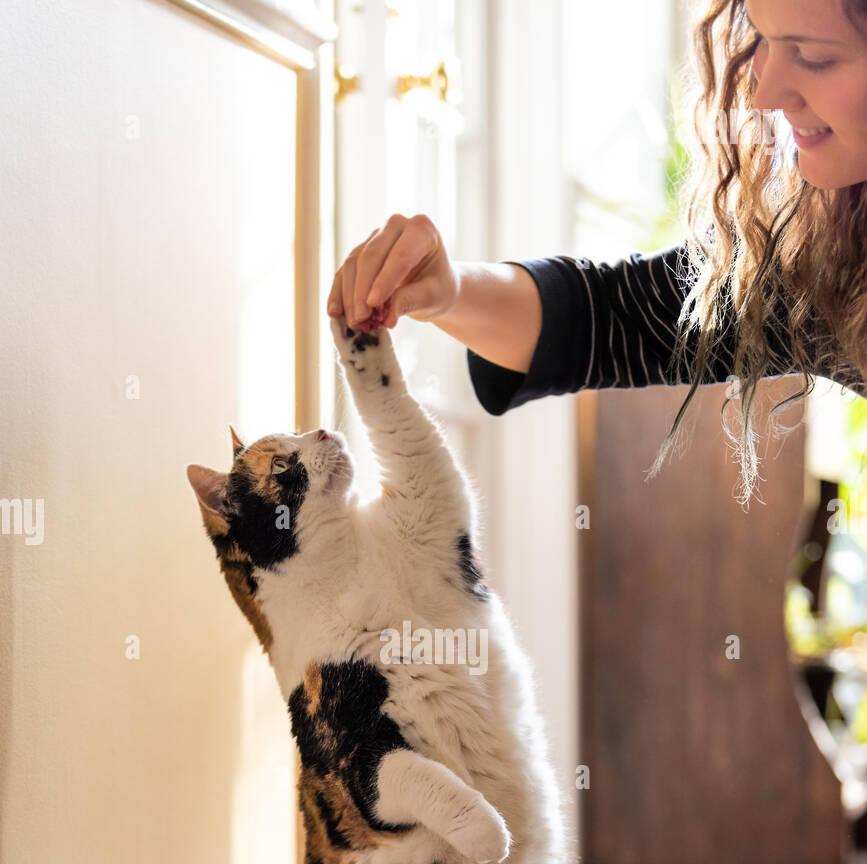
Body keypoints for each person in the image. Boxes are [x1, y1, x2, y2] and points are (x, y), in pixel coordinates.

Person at [328, 0, 867, 503]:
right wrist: (449, 291)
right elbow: (613, 317)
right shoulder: (828, 258)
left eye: (814, 58)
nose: (763, 92)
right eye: (763, 42)